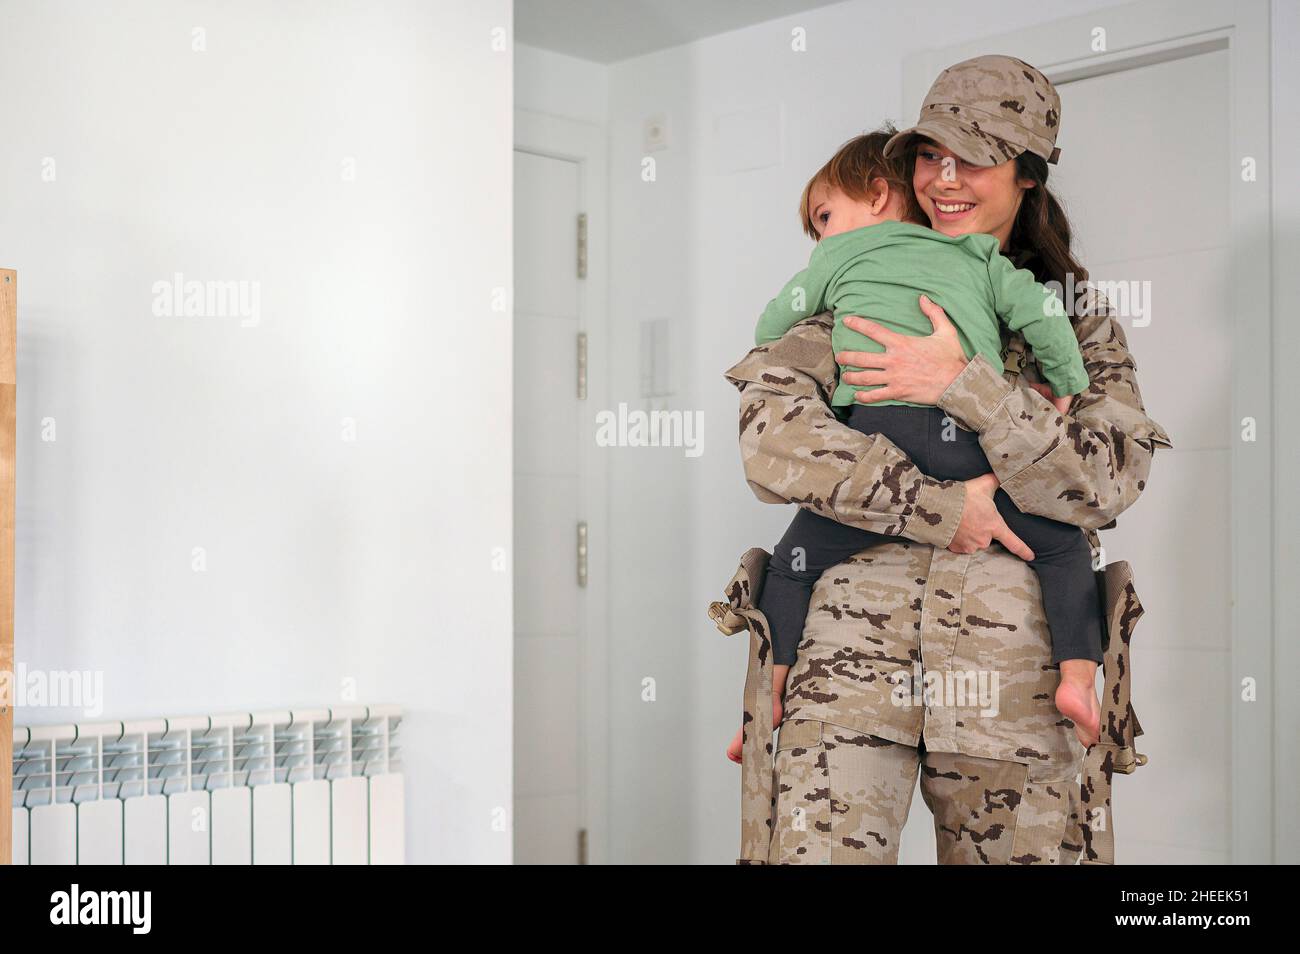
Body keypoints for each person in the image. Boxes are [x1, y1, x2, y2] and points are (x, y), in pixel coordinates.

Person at [712, 54, 1171, 864]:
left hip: (1017, 686)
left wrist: (967, 384)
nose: (945, 180)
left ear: (1027, 173)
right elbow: (772, 442)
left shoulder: (1074, 320)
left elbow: (1103, 479)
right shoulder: (865, 284)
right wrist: (944, 508)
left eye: (976, 157)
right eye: (930, 155)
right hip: (847, 670)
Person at [742, 128, 1102, 751]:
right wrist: (1064, 384)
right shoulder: (983, 264)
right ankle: (1079, 680)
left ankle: (764, 699)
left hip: (881, 440)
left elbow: (770, 322)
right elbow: (773, 446)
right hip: (969, 454)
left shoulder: (838, 262)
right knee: (1065, 551)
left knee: (791, 570)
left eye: (824, 217)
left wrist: (956, 377)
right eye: (932, 160)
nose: (823, 234)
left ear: (878, 196)